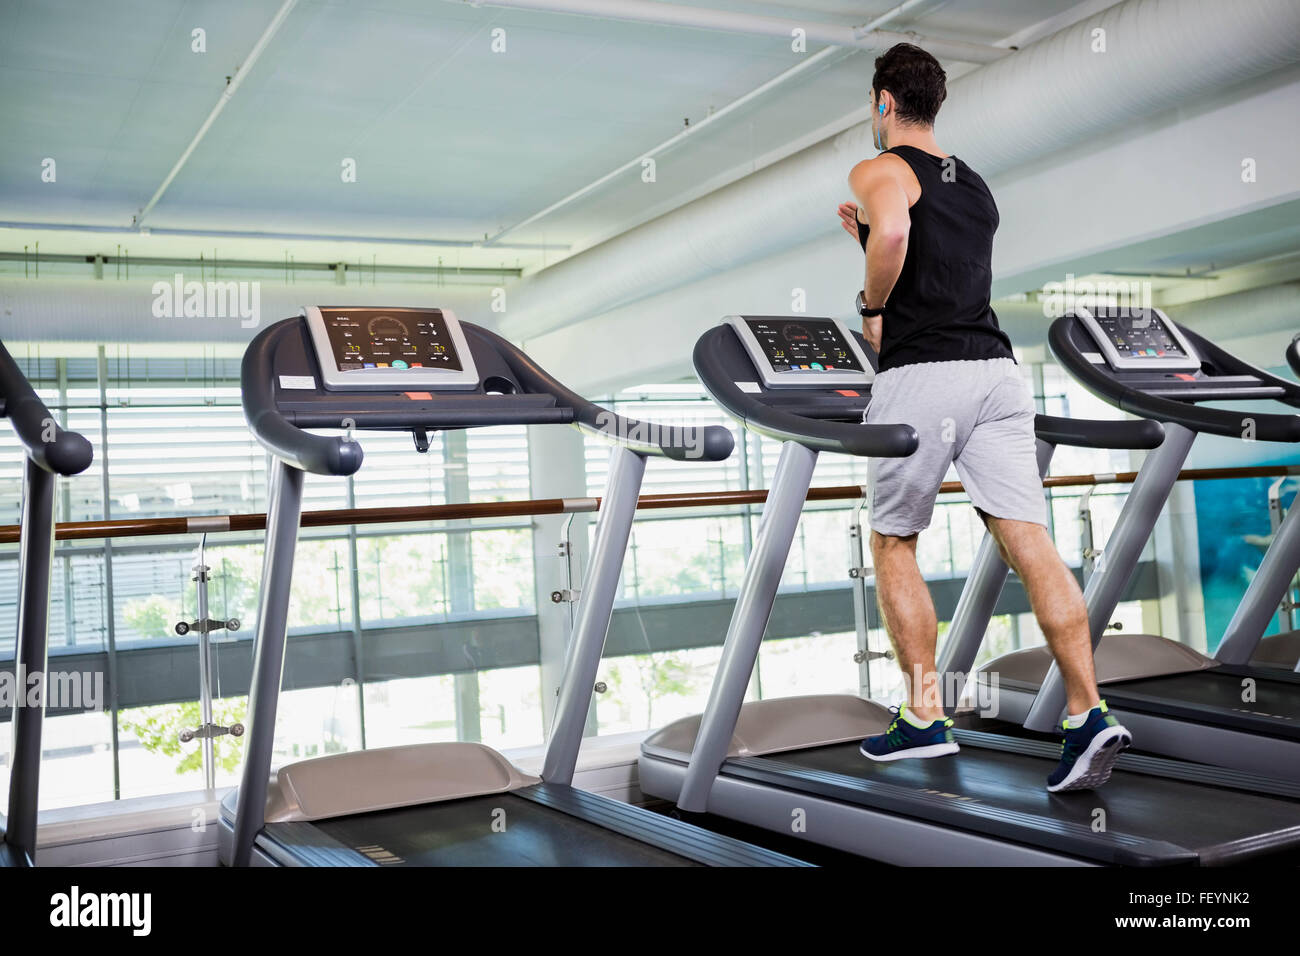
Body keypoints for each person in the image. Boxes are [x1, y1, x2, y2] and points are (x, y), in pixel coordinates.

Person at [836, 43, 1129, 791]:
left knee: (895, 540)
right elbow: (932, 255)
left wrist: (872, 307)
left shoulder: (877, 169)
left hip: (923, 374)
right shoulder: (974, 183)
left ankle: (925, 716)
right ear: (937, 102)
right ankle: (1087, 711)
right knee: (1030, 539)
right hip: (998, 374)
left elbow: (901, 238)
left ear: (882, 103)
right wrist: (872, 236)